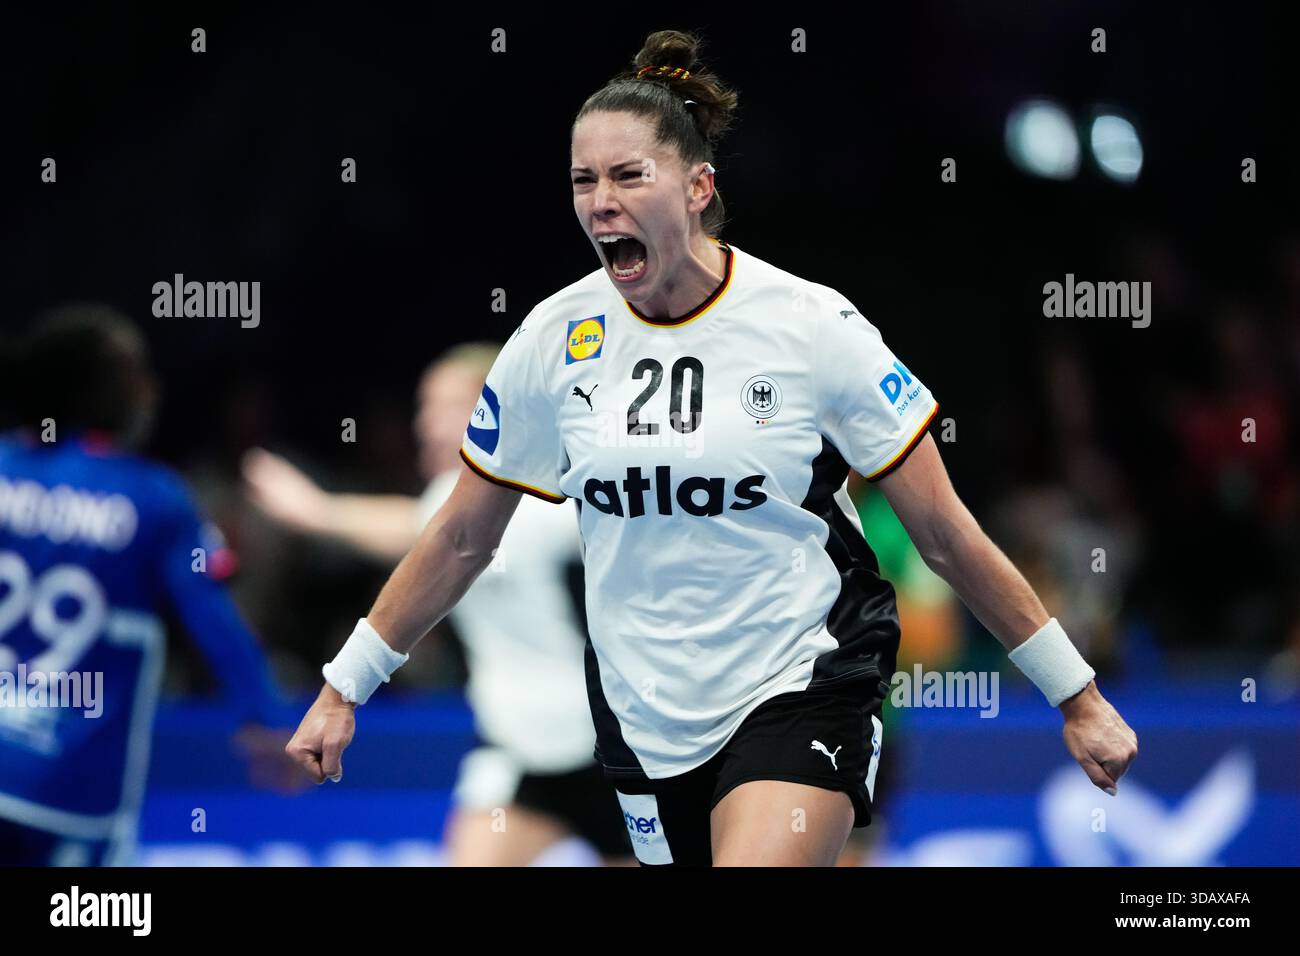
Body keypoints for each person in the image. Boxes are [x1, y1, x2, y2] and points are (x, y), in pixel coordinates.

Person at [285, 29, 1138, 866]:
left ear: (699, 188)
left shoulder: (810, 325)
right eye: (583, 180)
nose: (600, 201)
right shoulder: (552, 339)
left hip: (804, 681)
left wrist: (1076, 692)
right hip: (642, 718)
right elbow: (461, 536)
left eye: (629, 175)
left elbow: (946, 534)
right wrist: (343, 685)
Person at [243, 343, 632, 864]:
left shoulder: (554, 499)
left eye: (447, 407)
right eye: (423, 408)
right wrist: (319, 513)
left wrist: (319, 511)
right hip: (515, 754)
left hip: (610, 750)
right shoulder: (453, 502)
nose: (425, 425)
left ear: (497, 412)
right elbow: (424, 527)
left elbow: (429, 532)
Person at [0, 304, 293, 866]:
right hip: (68, 796)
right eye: (135, 373)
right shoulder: (153, 498)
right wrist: (264, 717)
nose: (151, 391)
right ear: (95, 389)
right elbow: (214, 619)